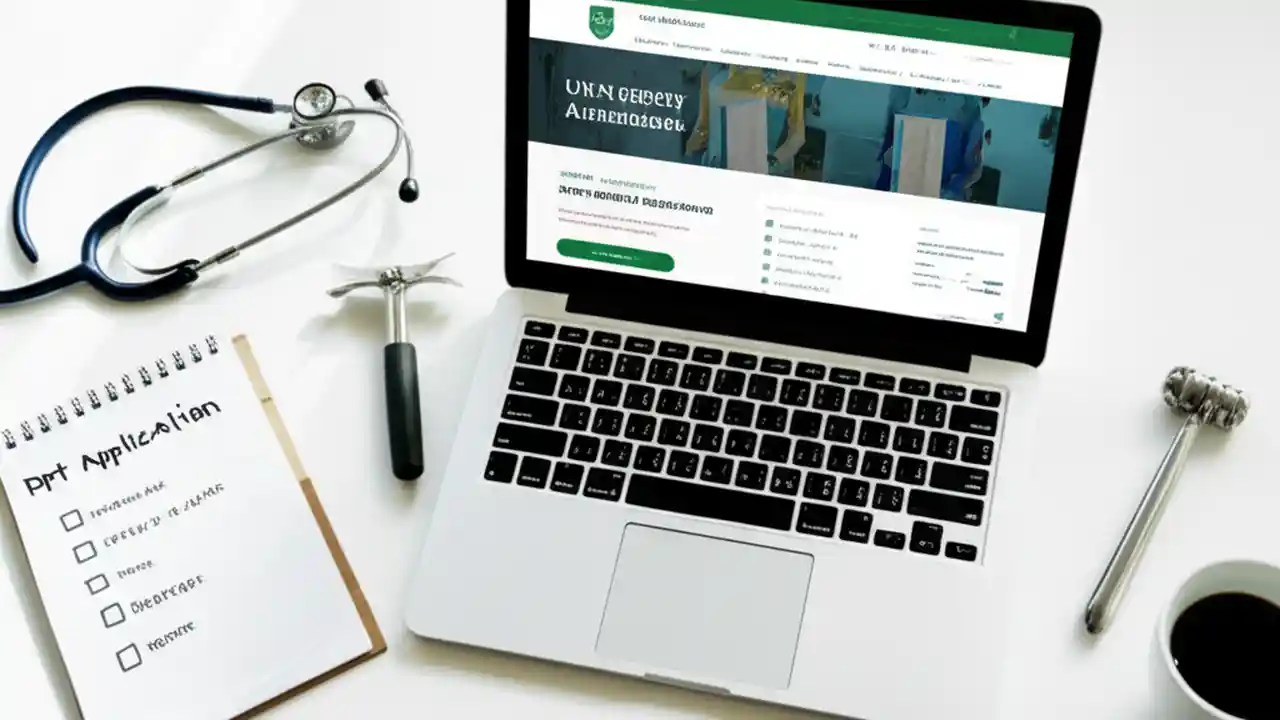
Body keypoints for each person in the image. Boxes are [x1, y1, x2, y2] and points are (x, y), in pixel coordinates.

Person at [685, 65, 807, 176]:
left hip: (764, 173)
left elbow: (797, 134)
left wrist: (774, 162)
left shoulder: (792, 73)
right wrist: (687, 159)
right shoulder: (712, 68)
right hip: (716, 169)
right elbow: (703, 126)